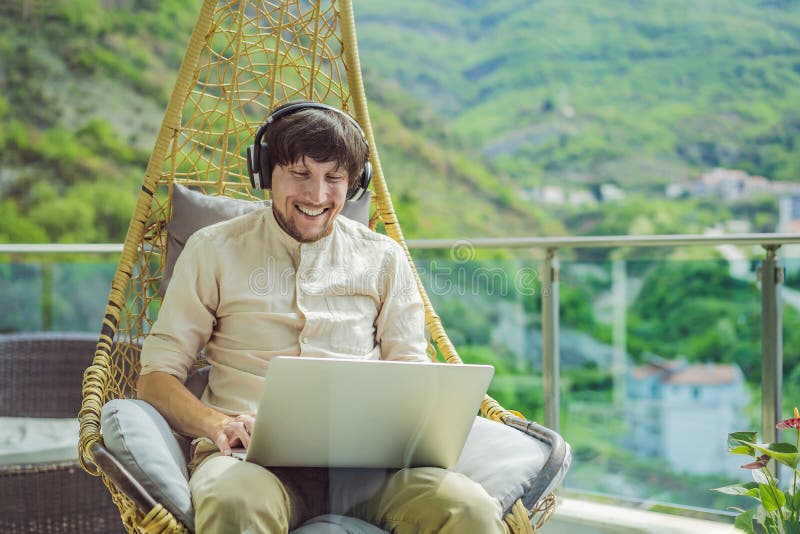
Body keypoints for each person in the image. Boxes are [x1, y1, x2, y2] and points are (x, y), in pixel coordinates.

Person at [137, 101, 505, 533]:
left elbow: (411, 372)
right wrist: (218, 425)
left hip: (371, 472)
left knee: (469, 510)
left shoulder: (384, 259)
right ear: (266, 173)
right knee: (232, 502)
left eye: (333, 179)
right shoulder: (212, 250)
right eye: (300, 174)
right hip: (250, 465)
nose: (316, 196)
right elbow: (155, 377)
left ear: (353, 186)